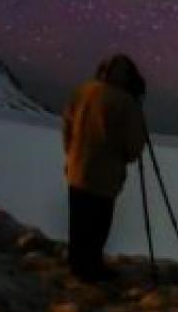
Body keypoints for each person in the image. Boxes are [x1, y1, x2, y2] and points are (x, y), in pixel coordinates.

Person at [62, 54, 147, 282]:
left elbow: (67, 128)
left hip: (77, 170)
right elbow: (132, 149)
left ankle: (76, 264)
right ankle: (91, 270)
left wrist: (71, 156)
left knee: (78, 223)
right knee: (97, 226)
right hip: (104, 179)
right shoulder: (126, 103)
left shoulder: (84, 91)